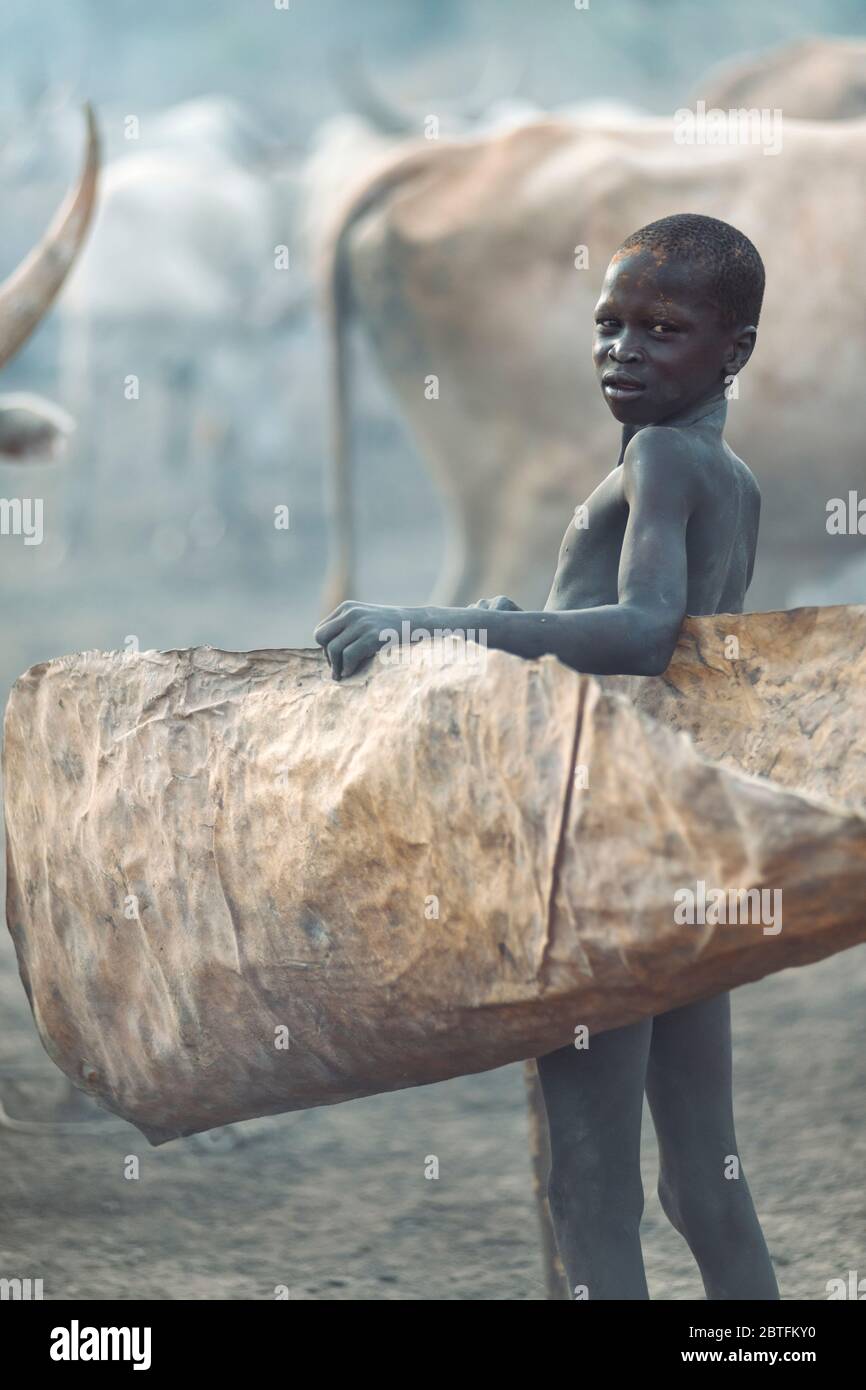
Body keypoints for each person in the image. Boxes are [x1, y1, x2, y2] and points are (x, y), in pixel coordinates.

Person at [314, 212, 779, 1300]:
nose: (623, 349)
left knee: (587, 1184)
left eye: (660, 330)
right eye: (608, 324)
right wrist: (520, 616)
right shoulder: (726, 471)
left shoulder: (662, 456)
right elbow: (638, 637)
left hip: (607, 843)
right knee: (701, 1180)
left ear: (732, 350)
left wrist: (430, 623)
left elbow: (642, 633)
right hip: (683, 842)